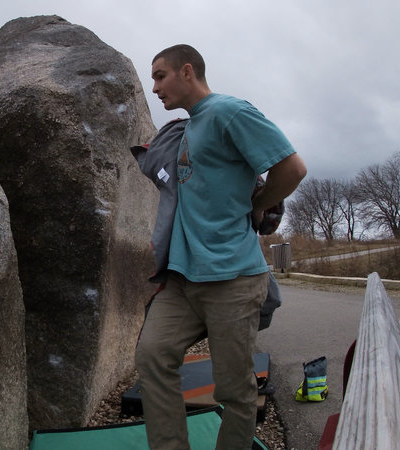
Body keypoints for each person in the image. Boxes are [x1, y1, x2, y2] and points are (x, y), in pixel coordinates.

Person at [134, 44, 306, 449]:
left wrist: (258, 204)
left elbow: (292, 167)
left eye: (160, 75)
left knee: (234, 389)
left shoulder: (229, 111)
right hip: (181, 280)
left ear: (187, 71)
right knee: (153, 357)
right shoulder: (188, 125)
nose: (155, 87)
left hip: (232, 277)